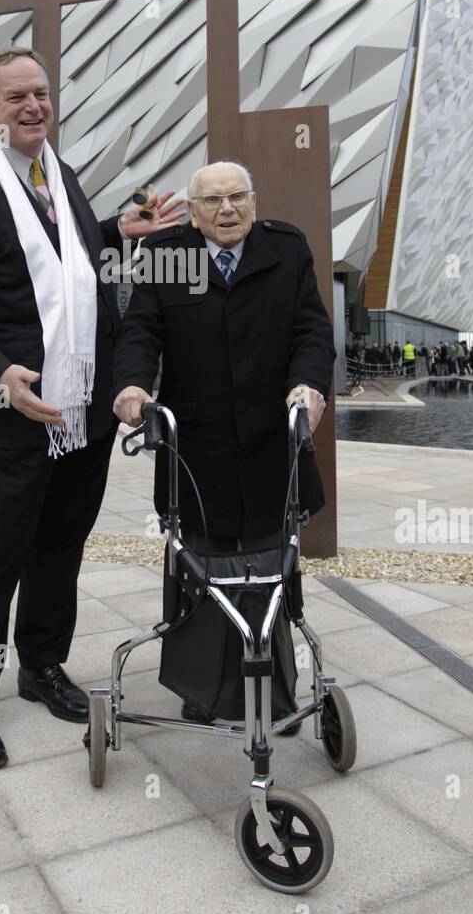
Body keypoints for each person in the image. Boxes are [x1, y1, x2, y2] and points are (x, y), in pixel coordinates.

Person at [0, 46, 183, 769]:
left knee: (59, 549)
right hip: (9, 411)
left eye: (43, 94)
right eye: (16, 96)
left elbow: (65, 261)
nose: (34, 106)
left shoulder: (58, 177)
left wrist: (116, 232)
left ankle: (41, 667)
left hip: (80, 412)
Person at [112, 161, 336, 722]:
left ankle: (276, 689)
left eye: (238, 197)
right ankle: (205, 686)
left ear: (254, 202)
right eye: (213, 202)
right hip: (198, 443)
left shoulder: (286, 249)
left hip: (269, 436)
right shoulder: (168, 255)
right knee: (204, 559)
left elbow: (312, 330)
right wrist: (134, 385)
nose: (228, 209)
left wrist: (308, 385)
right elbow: (142, 329)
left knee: (269, 556)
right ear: (192, 211)